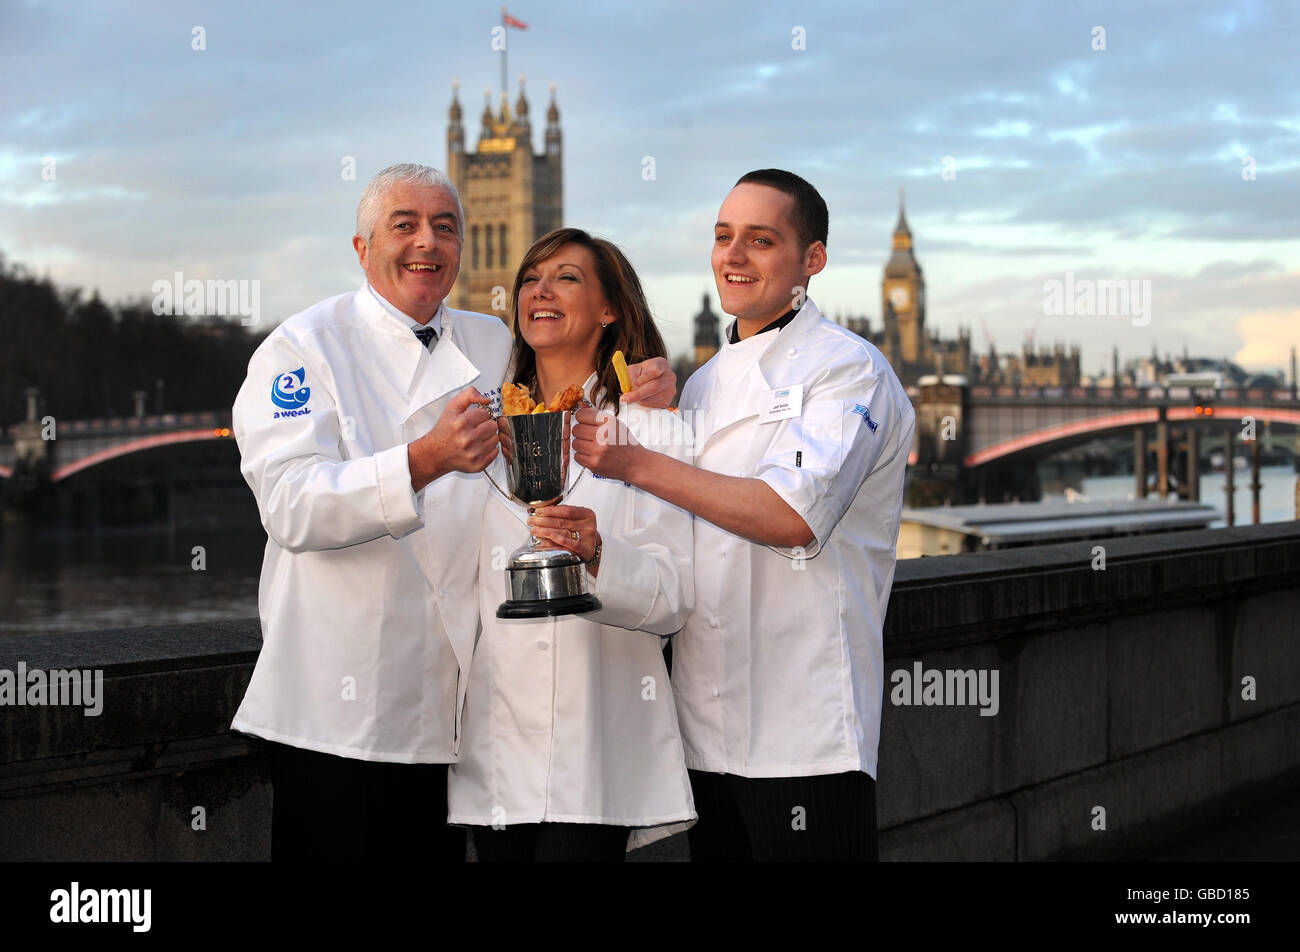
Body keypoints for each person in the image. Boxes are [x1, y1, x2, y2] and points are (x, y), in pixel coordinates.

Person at [230, 165, 676, 862]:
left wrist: (647, 381)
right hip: (339, 710)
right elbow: (291, 507)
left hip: (454, 722)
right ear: (361, 247)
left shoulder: (493, 344)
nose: (426, 244)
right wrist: (421, 459)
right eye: (404, 225)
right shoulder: (302, 349)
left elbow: (577, 383)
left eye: (444, 227)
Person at [573, 169, 916, 861]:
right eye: (724, 236)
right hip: (707, 722)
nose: (733, 255)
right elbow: (678, 540)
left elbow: (792, 515)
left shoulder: (849, 369)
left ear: (811, 260)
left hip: (806, 727)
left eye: (760, 240)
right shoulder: (703, 381)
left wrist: (637, 461)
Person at [447, 228, 696, 862]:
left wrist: (598, 554)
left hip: (595, 753)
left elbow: (674, 596)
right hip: (493, 751)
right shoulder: (474, 431)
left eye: (566, 277)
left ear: (610, 308)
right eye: (530, 278)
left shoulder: (649, 429)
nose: (541, 290)